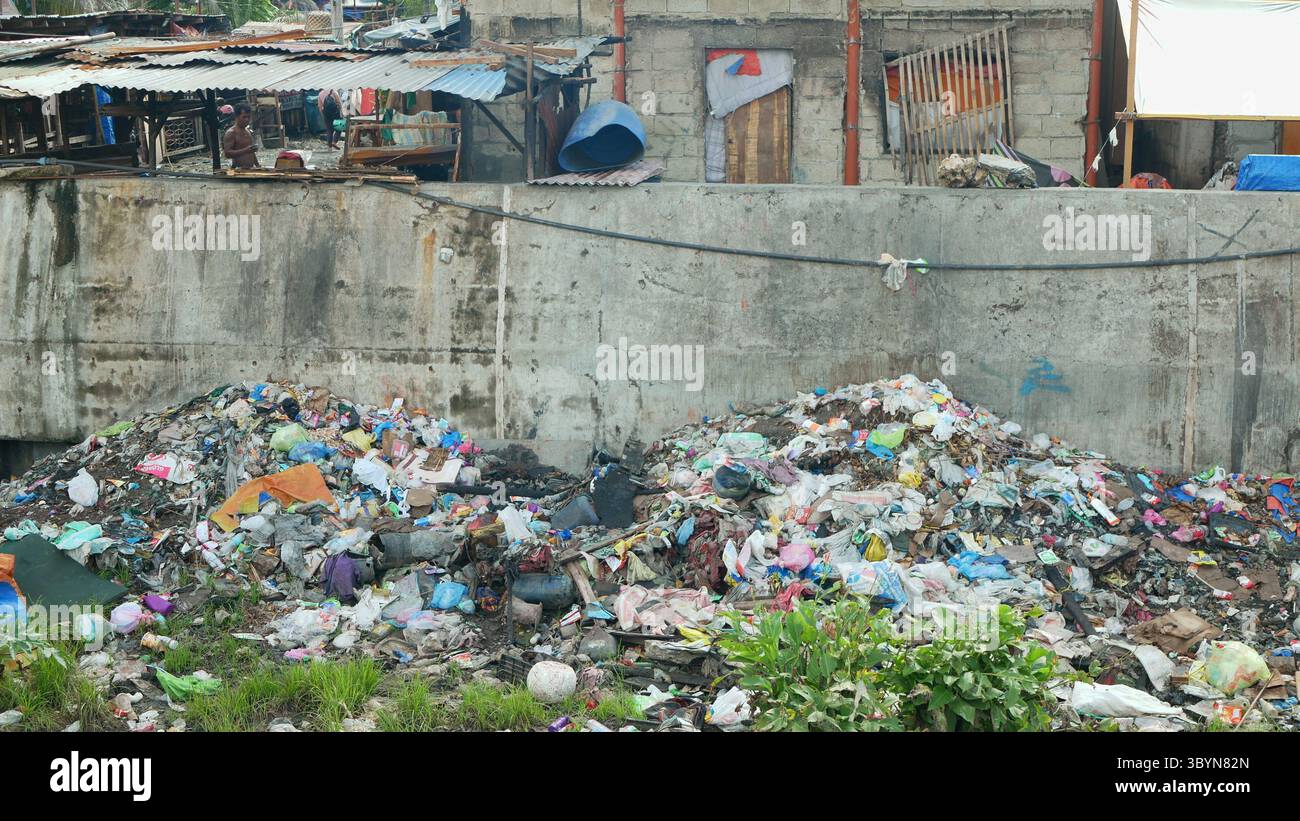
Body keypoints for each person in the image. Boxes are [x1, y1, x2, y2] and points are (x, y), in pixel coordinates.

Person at [222, 103, 259, 169]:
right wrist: (245, 150)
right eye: (244, 117)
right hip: (238, 170)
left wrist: (258, 166)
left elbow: (251, 152)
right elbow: (227, 153)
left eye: (248, 117)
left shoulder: (247, 131)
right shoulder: (231, 133)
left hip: (250, 169)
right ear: (236, 117)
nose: (247, 120)